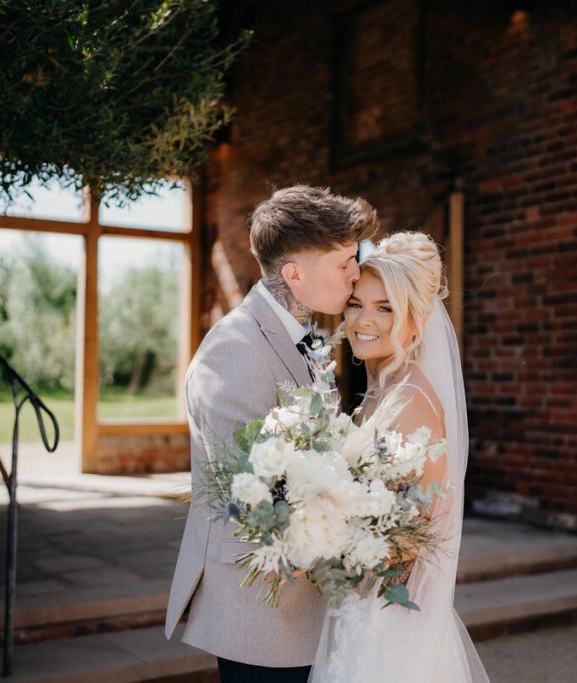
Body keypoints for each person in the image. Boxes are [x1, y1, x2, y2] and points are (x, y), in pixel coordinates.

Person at [165, 185, 380, 683]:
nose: (356, 272)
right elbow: (253, 497)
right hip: (264, 605)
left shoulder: (304, 337)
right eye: (346, 260)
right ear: (294, 274)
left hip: (309, 599)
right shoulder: (235, 350)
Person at [309, 231, 490, 683]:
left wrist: (316, 530)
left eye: (384, 307)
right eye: (356, 304)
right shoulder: (387, 387)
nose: (362, 320)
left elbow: (409, 539)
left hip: (387, 625)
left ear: (418, 317)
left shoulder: (409, 403)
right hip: (366, 608)